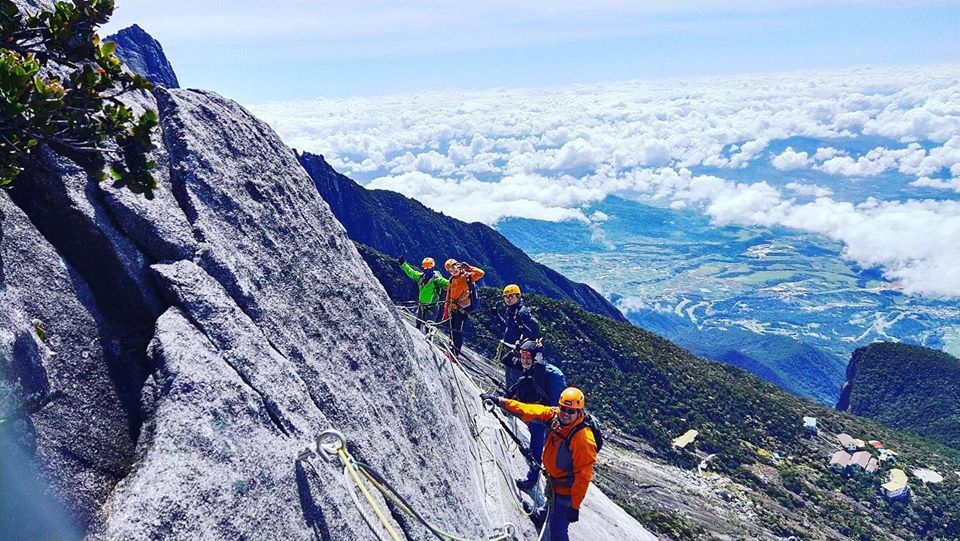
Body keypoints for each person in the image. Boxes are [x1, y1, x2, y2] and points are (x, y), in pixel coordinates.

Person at [481, 387, 597, 541]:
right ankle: (541, 517)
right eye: (563, 408)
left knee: (558, 530)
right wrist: (500, 401)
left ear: (579, 411)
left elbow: (583, 477)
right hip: (554, 479)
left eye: (571, 411)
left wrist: (574, 506)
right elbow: (529, 410)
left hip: (567, 489)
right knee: (550, 500)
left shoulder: (583, 440)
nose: (566, 413)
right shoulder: (554, 416)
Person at [506, 339, 566, 491]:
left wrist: (538, 352)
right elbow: (506, 359)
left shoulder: (540, 371)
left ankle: (531, 480)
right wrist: (517, 349)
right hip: (536, 411)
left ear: (534, 358)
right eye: (523, 357)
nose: (525, 361)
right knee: (537, 445)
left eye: (528, 358)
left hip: (543, 415)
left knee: (536, 446)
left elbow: (538, 367)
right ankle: (535, 475)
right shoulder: (528, 367)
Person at [492, 284, 541, 389]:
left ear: (518, 296)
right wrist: (497, 316)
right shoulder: (511, 310)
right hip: (511, 349)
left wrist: (519, 344)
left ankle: (513, 396)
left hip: (518, 353)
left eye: (511, 296)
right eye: (506, 297)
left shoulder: (522, 312)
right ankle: (509, 394)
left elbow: (528, 333)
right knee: (509, 376)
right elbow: (508, 327)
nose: (508, 299)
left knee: (515, 379)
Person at [442, 258, 484, 358]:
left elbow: (481, 273)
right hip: (453, 307)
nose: (453, 271)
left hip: (463, 308)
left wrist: (469, 268)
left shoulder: (467, 277)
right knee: (453, 330)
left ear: (459, 266)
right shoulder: (451, 279)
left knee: (457, 330)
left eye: (454, 268)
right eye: (450, 270)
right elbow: (448, 295)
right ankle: (452, 350)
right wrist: (446, 310)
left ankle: (455, 353)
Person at [399, 256, 448, 331]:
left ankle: (428, 337)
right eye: (425, 268)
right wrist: (403, 264)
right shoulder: (421, 277)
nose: (427, 269)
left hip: (432, 306)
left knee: (428, 326)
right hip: (422, 305)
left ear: (432, 268)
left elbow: (448, 283)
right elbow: (411, 272)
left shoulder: (437, 279)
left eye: (428, 268)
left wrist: (460, 280)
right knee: (418, 324)